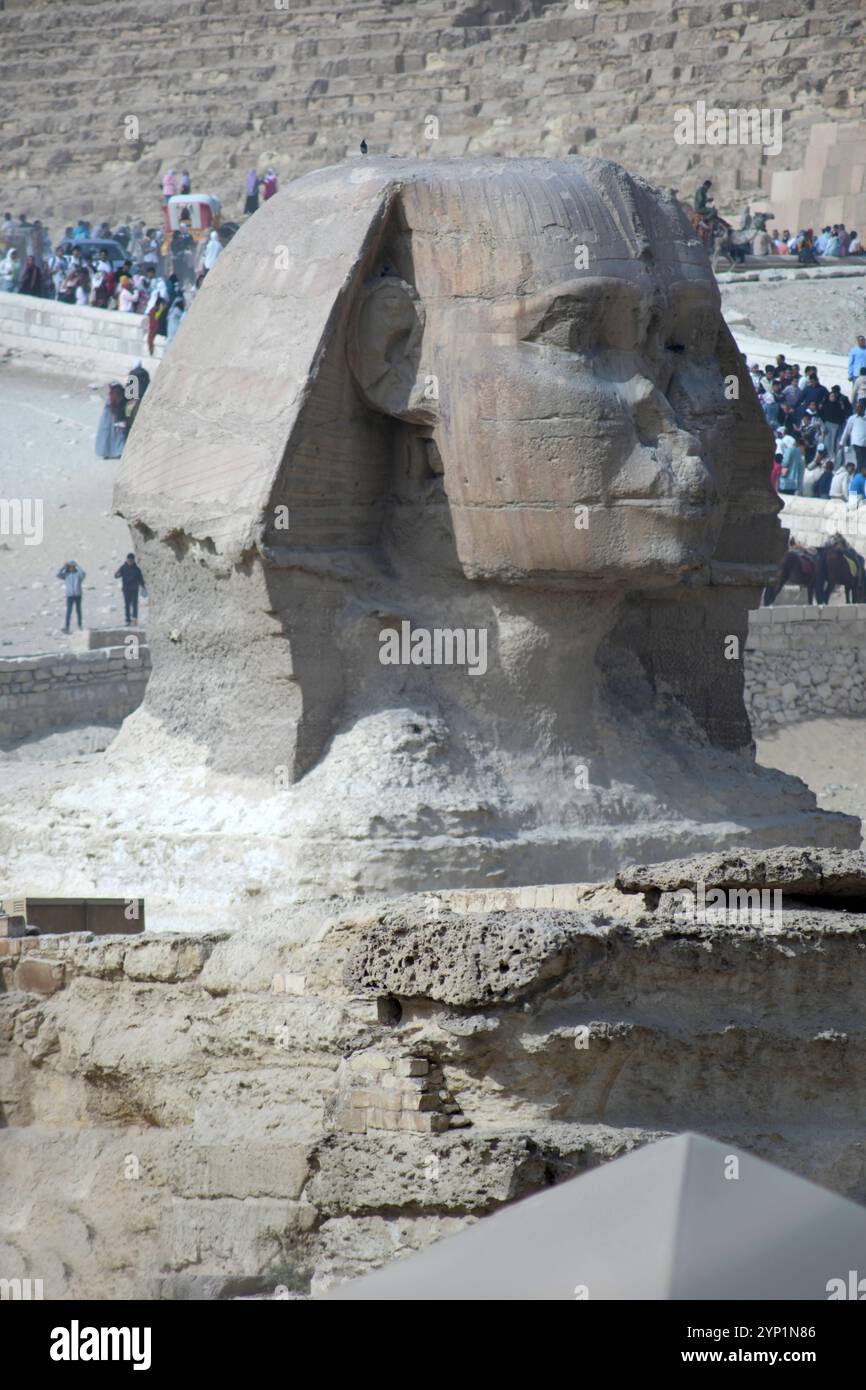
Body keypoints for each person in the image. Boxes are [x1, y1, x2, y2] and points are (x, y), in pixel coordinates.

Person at [94, 381, 128, 458]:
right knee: (117, 436)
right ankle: (117, 452)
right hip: (114, 417)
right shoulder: (120, 394)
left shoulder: (113, 394)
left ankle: (106, 452)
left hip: (109, 418)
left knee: (107, 436)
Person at [114, 553, 146, 625]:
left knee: (134, 604)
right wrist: (118, 574)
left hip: (134, 589)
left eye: (131, 560)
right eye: (128, 560)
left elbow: (140, 579)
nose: (130, 562)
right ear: (127, 560)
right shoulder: (123, 567)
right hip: (126, 589)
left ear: (133, 561)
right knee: (127, 605)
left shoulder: (136, 569)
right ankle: (128, 620)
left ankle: (134, 619)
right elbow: (116, 575)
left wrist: (143, 586)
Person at [820, 386, 850, 463]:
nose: (833, 397)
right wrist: (823, 426)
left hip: (837, 428)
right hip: (827, 429)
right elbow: (821, 417)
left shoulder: (839, 406)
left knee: (836, 445)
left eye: (834, 396)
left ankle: (837, 462)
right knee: (827, 444)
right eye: (831, 396)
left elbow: (843, 417)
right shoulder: (825, 405)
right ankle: (826, 461)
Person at [57, 561, 86, 633]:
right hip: (70, 596)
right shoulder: (66, 575)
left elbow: (83, 574)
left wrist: (77, 566)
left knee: (78, 611)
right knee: (69, 611)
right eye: (70, 567)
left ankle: (80, 625)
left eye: (73, 567)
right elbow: (58, 575)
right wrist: (64, 567)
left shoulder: (78, 574)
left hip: (78, 595)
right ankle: (67, 627)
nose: (71, 568)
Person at [839, 400, 866, 473]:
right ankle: (856, 478)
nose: (857, 409)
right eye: (857, 407)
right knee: (860, 462)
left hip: (864, 444)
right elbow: (846, 431)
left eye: (859, 407)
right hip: (856, 443)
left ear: (863, 408)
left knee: (864, 463)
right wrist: (842, 442)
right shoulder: (852, 418)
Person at [778, 431, 804, 495]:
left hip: (786, 481)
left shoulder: (790, 450)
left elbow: (785, 463)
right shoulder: (798, 451)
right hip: (794, 483)